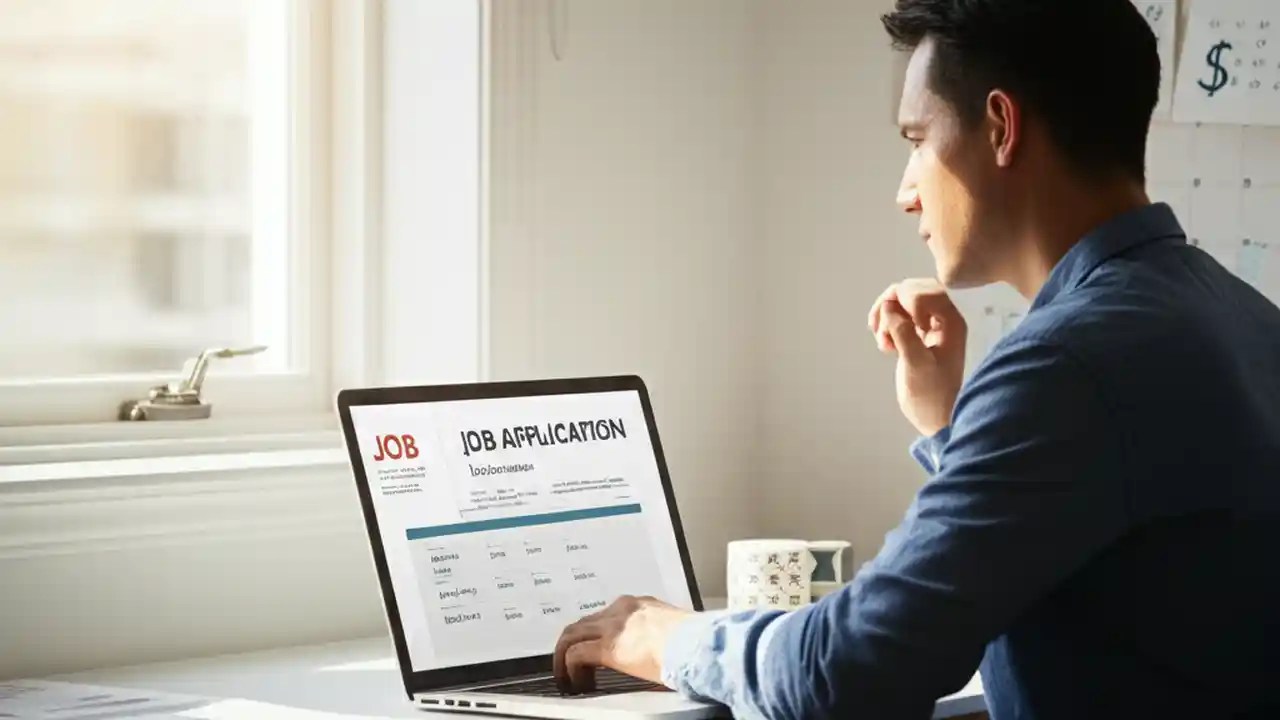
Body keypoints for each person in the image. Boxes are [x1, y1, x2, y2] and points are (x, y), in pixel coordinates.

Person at [553, 0, 1280, 717]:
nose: (905, 191)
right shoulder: (1241, 316)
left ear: (1000, 127)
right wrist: (950, 429)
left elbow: (843, 671)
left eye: (917, 139)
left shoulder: (1067, 363)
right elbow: (1069, 563)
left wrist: (665, 638)